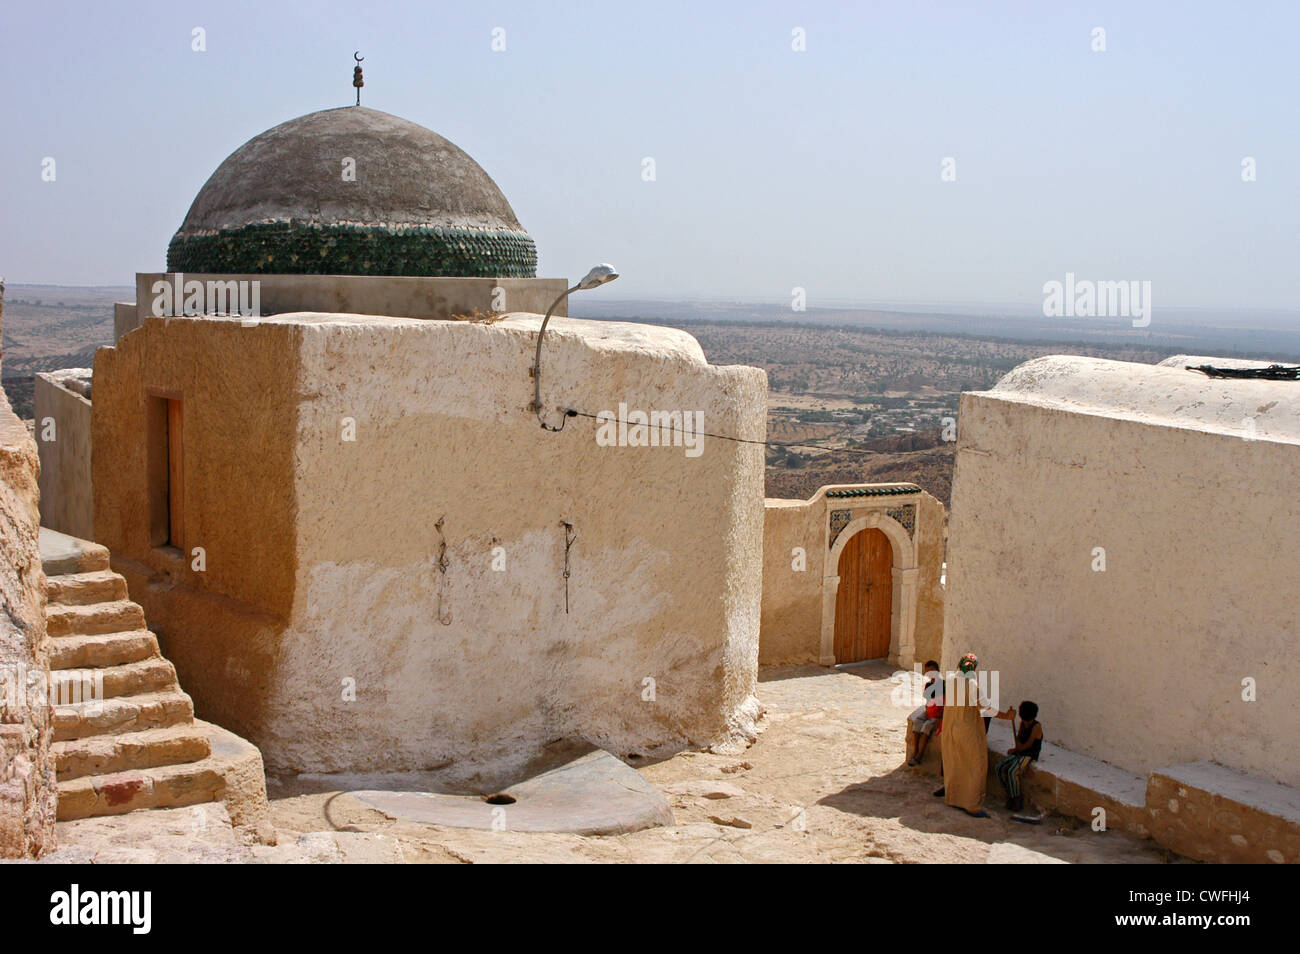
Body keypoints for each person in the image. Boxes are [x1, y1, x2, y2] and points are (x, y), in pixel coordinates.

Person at [996, 701, 1043, 812]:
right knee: (999, 767)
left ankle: (1016, 798)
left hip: (1029, 754)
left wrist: (1017, 748)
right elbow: (1019, 740)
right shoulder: (1022, 723)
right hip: (1020, 752)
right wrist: (1015, 748)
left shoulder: (1036, 727)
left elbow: (1027, 745)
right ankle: (1009, 793)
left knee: (1012, 771)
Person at [906, 660, 943, 766]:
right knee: (917, 722)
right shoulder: (928, 685)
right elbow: (928, 701)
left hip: (938, 714)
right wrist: (927, 712)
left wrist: (940, 718)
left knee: (926, 727)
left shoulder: (943, 685)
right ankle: (915, 751)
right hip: (929, 711)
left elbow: (945, 703)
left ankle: (920, 755)